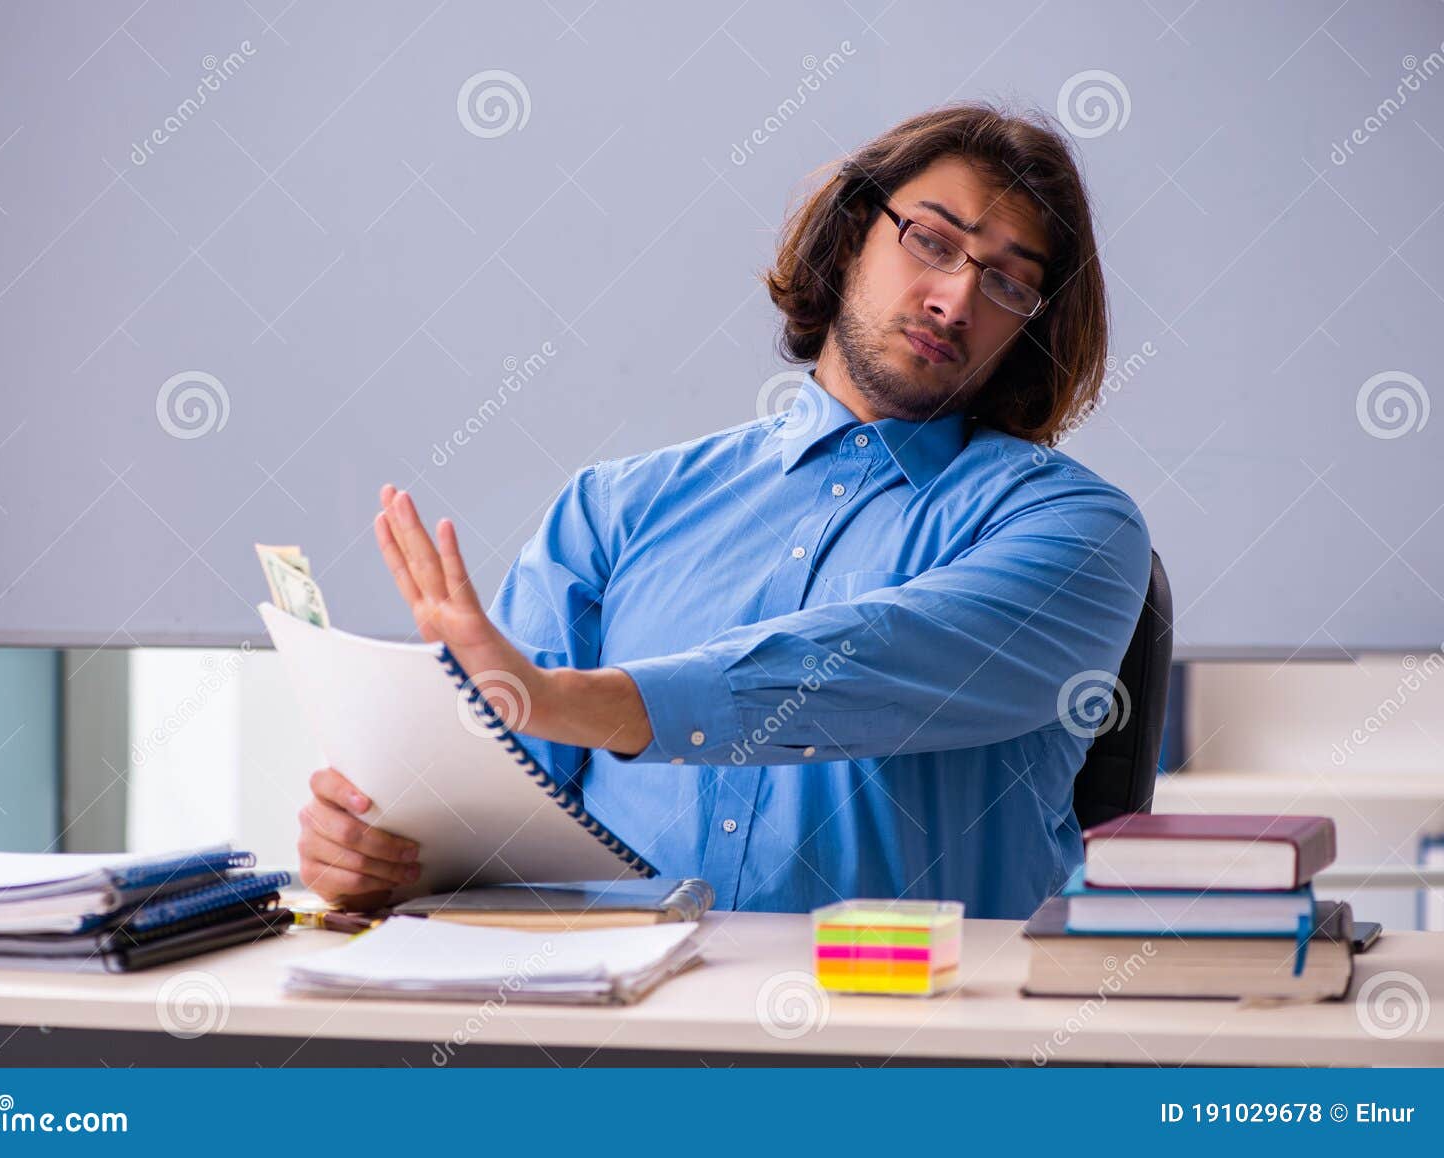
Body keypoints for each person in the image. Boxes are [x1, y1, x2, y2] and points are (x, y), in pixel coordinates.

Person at [297, 102, 1151, 919]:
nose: (955, 301)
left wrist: (568, 700)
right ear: (854, 233)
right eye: (931, 241)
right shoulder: (615, 510)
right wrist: (384, 853)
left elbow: (871, 663)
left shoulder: (1078, 532)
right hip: (613, 1037)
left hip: (908, 1044)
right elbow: (491, 825)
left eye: (1007, 284)